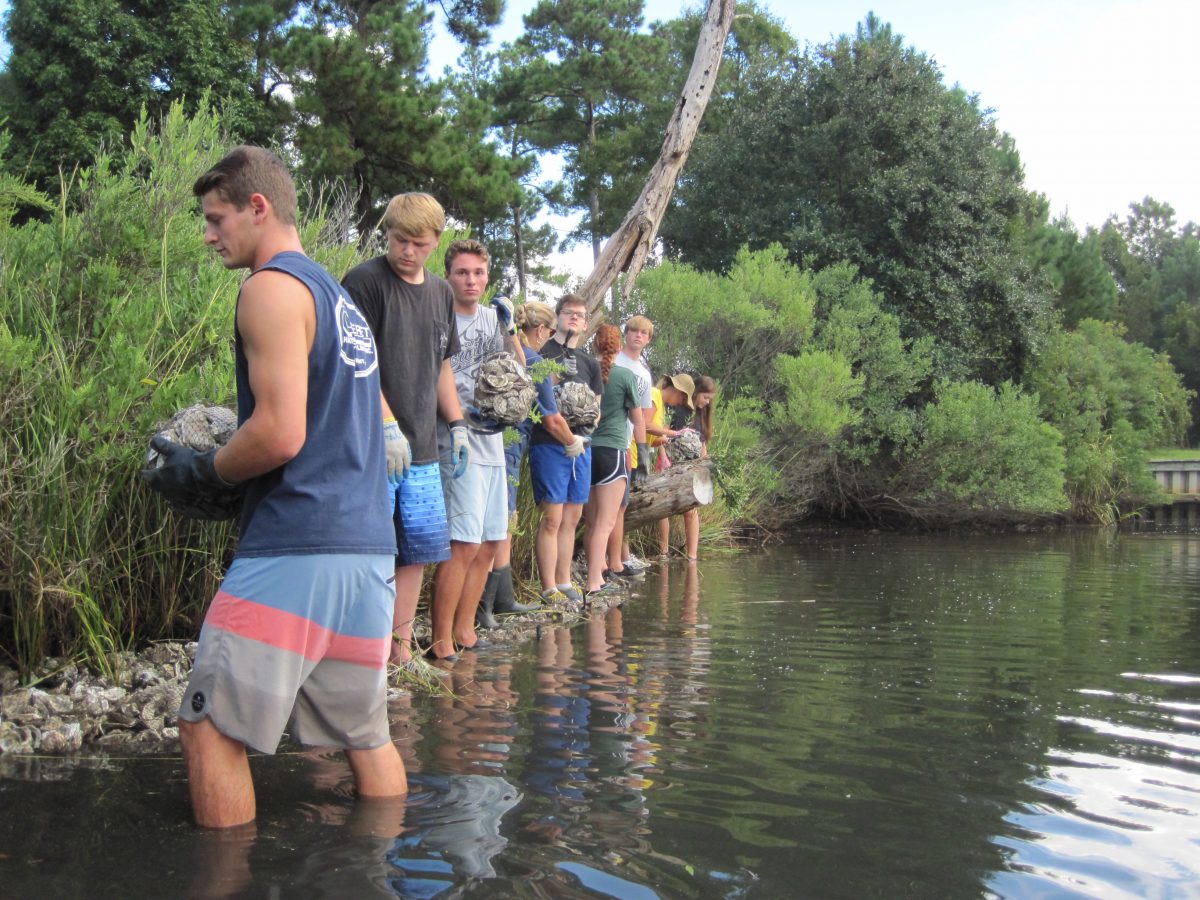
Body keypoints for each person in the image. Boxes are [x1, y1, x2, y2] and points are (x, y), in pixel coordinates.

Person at [146, 146, 406, 827]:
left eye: (216, 218)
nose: (208, 234)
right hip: (368, 551)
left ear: (258, 208)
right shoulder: (339, 298)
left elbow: (281, 433)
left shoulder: (268, 288)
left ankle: (225, 880)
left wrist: (203, 471)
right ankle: (376, 867)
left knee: (209, 730)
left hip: (297, 548)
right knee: (366, 734)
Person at [341, 193, 469, 664]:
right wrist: (387, 422)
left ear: (436, 242)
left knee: (416, 551)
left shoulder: (440, 293)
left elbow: (441, 367)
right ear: (387, 234)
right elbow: (352, 363)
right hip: (370, 446)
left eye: (418, 243)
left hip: (422, 448)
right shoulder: (363, 283)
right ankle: (360, 654)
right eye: (398, 240)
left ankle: (399, 653)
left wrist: (456, 424)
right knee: (369, 551)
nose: (406, 251)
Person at [433, 238, 534, 652]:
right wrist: (456, 423)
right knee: (464, 542)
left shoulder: (495, 319)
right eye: (462, 272)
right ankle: (441, 639)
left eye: (477, 273)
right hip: (456, 436)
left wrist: (510, 330)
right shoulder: (439, 316)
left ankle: (465, 631)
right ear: (448, 275)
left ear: (487, 276)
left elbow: (520, 371)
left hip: (493, 439)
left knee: (492, 541)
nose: (470, 280)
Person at [492, 301, 587, 610]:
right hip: (515, 444)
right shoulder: (536, 362)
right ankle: (501, 599)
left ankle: (497, 598)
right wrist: (574, 442)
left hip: (499, 440)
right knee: (506, 518)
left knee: (502, 517)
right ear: (543, 330)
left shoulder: (510, 353)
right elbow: (552, 418)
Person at [528, 294, 602, 604]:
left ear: (586, 324)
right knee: (552, 518)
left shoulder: (589, 362)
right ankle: (549, 587)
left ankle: (565, 580)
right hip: (549, 444)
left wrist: (585, 435)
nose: (573, 318)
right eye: (568, 312)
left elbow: (597, 406)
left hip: (582, 447)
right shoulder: (540, 351)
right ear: (557, 317)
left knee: (572, 518)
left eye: (579, 315)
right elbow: (537, 397)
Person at [583, 324, 646, 599]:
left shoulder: (586, 370)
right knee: (605, 523)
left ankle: (597, 573)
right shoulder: (624, 375)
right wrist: (642, 455)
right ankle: (594, 580)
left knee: (593, 520)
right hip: (613, 452)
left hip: (586, 451)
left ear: (594, 345)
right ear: (618, 346)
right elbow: (637, 418)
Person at [610, 315, 657, 578]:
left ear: (648, 339)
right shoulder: (613, 361)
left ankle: (616, 561)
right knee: (606, 506)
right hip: (606, 441)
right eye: (634, 331)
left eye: (643, 333)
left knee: (622, 505)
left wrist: (643, 455)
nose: (638, 336)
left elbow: (644, 416)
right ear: (625, 333)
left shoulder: (644, 374)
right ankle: (608, 563)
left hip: (627, 445)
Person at [656, 374, 717, 560]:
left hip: (692, 466)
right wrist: (663, 457)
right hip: (671, 461)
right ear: (695, 392)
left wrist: (705, 465)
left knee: (691, 510)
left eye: (709, 399)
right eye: (705, 397)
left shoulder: (701, 415)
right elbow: (660, 432)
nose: (706, 402)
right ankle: (663, 551)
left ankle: (692, 555)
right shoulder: (678, 407)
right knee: (663, 508)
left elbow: (702, 441)